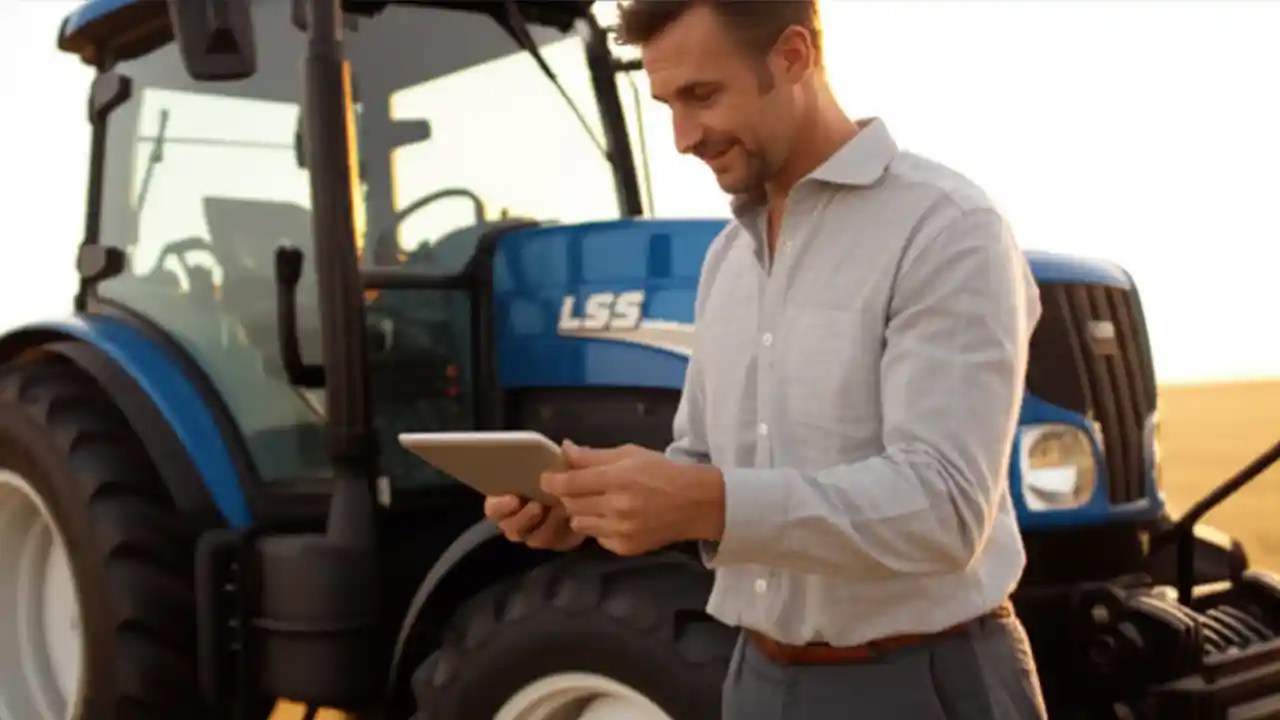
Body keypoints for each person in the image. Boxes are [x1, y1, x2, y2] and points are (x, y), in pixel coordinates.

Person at [483, 0, 1049, 717]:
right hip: (755, 681)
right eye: (667, 105)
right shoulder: (726, 259)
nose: (683, 138)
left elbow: (945, 509)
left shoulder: (945, 227)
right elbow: (702, 463)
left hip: (921, 682)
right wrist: (595, 506)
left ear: (792, 57)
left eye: (702, 95)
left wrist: (707, 502)